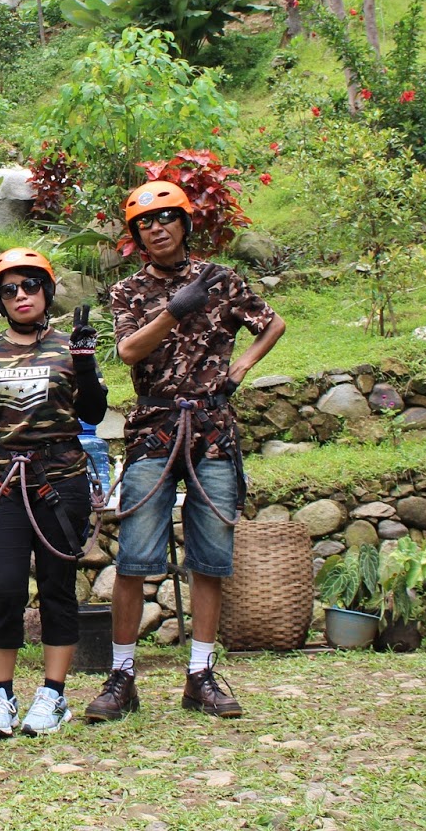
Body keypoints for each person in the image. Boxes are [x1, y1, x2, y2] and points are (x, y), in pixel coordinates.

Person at [88, 180, 285, 723]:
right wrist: (174, 311)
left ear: (184, 223)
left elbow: (272, 324)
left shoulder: (221, 279)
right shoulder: (128, 290)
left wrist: (241, 366)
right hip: (153, 426)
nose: (156, 228)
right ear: (136, 236)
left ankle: (201, 674)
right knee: (134, 554)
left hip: (213, 427)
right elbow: (129, 350)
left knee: (210, 556)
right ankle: (122, 676)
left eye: (166, 218)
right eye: (144, 224)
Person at [0, 248, 108, 739]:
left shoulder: (69, 346)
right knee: (6, 588)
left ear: (47, 291)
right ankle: (2, 695)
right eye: (9, 290)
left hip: (61, 481)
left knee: (58, 587)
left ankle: (53, 695)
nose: (21, 295)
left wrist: (85, 364)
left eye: (31, 285)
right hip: (3, 483)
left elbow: (95, 413)